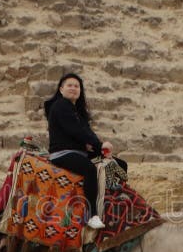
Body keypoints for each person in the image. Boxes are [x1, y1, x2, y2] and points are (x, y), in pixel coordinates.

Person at [43, 73, 126, 230]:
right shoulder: (61, 106)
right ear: (61, 89)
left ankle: (116, 198)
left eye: (77, 86)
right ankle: (92, 215)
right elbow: (77, 132)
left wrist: (101, 150)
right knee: (89, 169)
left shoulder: (77, 111)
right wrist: (99, 145)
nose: (73, 88)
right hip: (63, 152)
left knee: (119, 163)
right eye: (69, 85)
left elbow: (87, 132)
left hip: (78, 151)